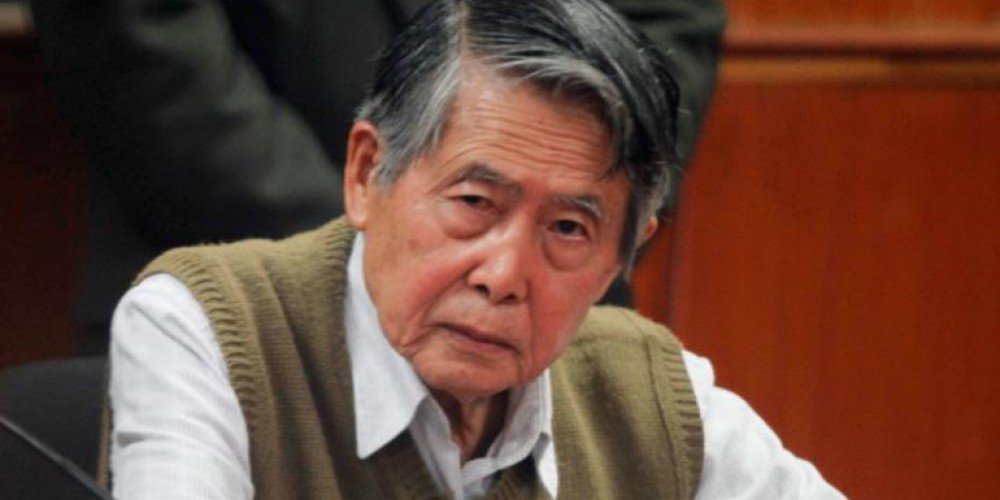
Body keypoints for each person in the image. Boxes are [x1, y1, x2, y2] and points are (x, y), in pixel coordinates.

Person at [104, 0, 843, 498]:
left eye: (568, 228)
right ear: (366, 174)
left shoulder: (654, 396)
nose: (503, 275)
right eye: (474, 204)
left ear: (623, 254)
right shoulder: (208, 333)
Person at [31, 0, 725, 356]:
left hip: (554, 318)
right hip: (232, 267)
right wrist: (378, 250)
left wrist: (572, 207)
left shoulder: (673, 409)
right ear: (365, 171)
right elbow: (134, 30)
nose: (495, 272)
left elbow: (667, 25)